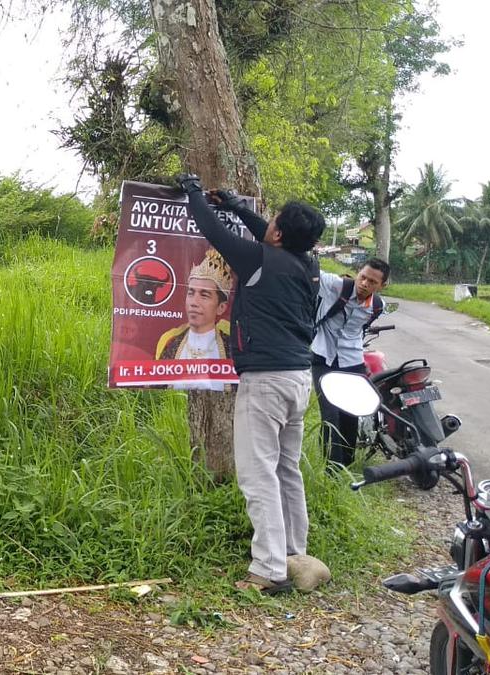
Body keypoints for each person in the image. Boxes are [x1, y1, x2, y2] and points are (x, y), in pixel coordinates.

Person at [175, 174, 325, 595]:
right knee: (286, 469)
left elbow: (213, 233)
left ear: (278, 232)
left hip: (266, 382)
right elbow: (270, 237)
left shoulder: (258, 261)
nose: (268, 226)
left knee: (258, 474)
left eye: (272, 221)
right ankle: (296, 553)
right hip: (299, 379)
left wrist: (192, 192)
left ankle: (269, 570)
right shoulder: (307, 263)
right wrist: (241, 207)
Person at [311, 259, 390, 468]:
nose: (364, 283)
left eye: (372, 282)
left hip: (352, 361)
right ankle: (332, 471)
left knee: (350, 413)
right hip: (322, 358)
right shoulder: (336, 285)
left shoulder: (377, 306)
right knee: (330, 415)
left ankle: (346, 465)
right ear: (357, 273)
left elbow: (363, 328)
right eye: (363, 277)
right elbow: (308, 269)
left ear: (382, 286)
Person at [154, 248, 233, 391]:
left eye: (204, 295)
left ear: (221, 307)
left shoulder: (232, 348)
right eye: (191, 293)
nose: (194, 302)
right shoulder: (170, 342)